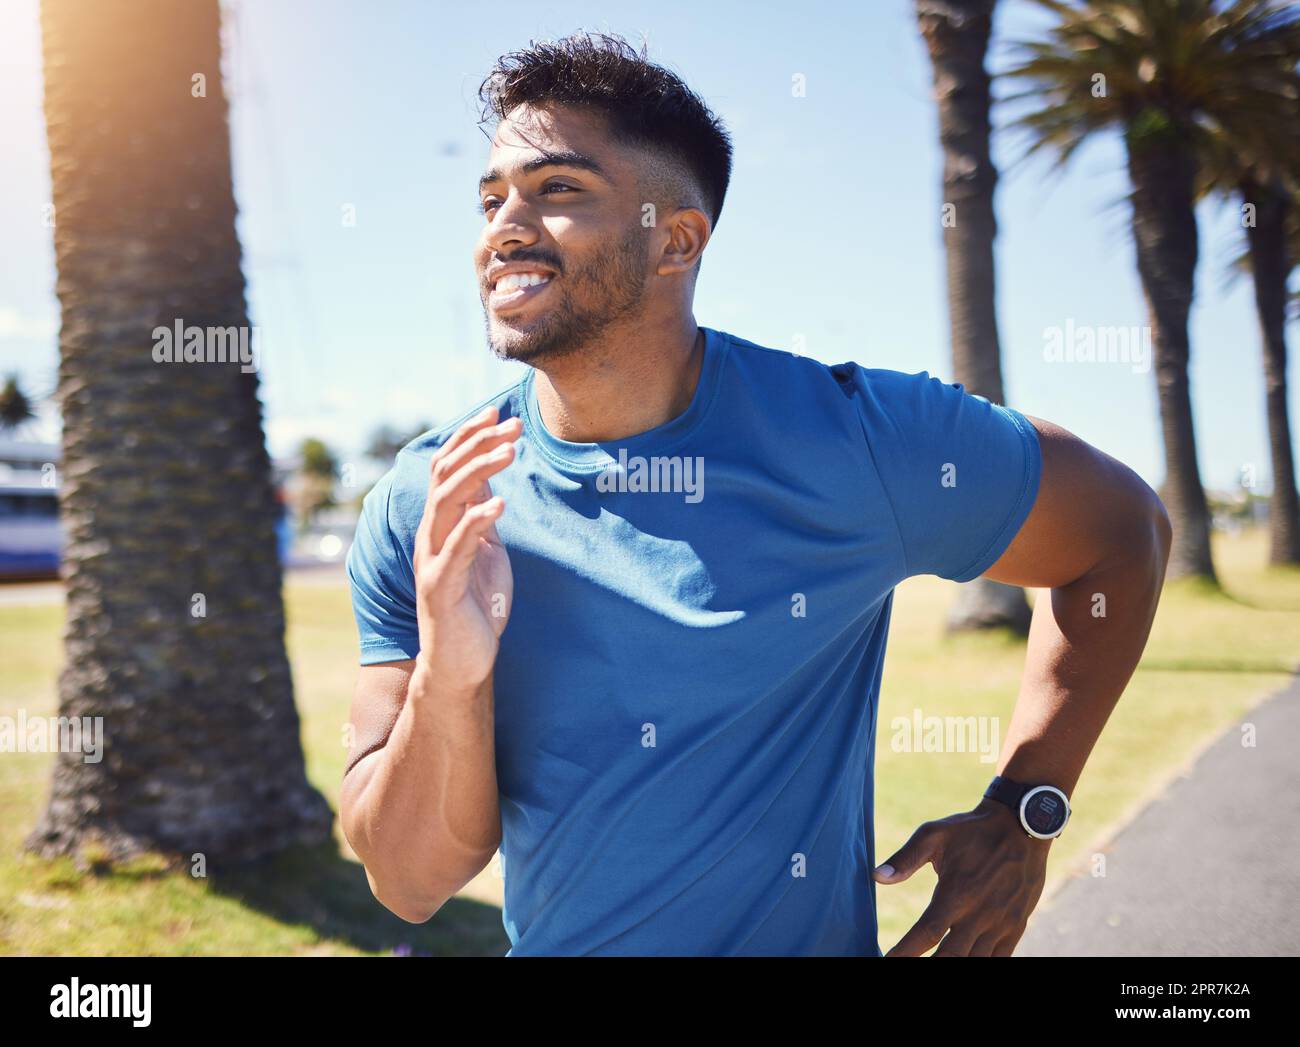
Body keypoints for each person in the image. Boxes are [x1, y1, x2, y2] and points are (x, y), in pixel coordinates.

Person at [339, 32, 1171, 957]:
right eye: (492, 198)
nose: (503, 226)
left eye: (557, 190)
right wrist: (451, 681)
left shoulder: (857, 439)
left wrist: (1028, 805)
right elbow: (409, 883)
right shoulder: (432, 502)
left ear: (676, 240)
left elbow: (1120, 532)